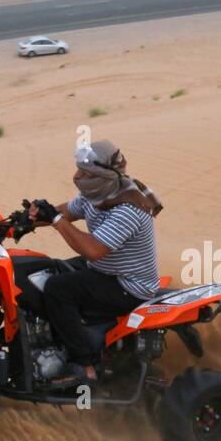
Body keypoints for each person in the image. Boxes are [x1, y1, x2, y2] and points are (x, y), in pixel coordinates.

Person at [28, 140, 163, 386]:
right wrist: (27, 220)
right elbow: (66, 211)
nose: (76, 176)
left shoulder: (128, 208)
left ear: (101, 176)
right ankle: (52, 342)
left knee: (58, 288)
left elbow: (92, 250)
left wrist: (56, 220)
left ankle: (83, 365)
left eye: (84, 172)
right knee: (48, 268)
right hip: (106, 270)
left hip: (128, 284)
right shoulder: (98, 194)